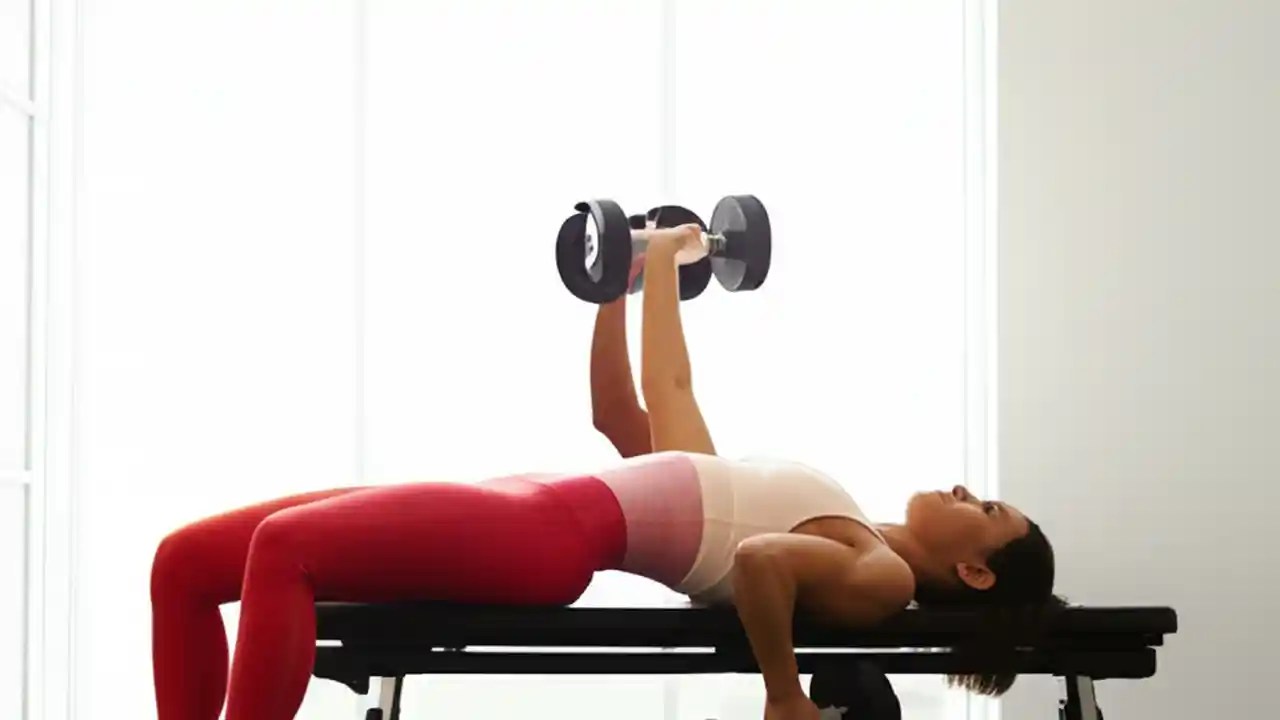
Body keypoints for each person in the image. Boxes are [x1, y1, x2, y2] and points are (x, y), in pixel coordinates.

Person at [150, 225, 1057, 720]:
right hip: (525, 503)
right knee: (185, 566)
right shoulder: (829, 507)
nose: (966, 491)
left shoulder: (884, 572)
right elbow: (634, 409)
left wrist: (785, 699)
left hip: (543, 536)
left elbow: (760, 568)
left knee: (283, 552)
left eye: (988, 511)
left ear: (975, 570)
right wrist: (626, 281)